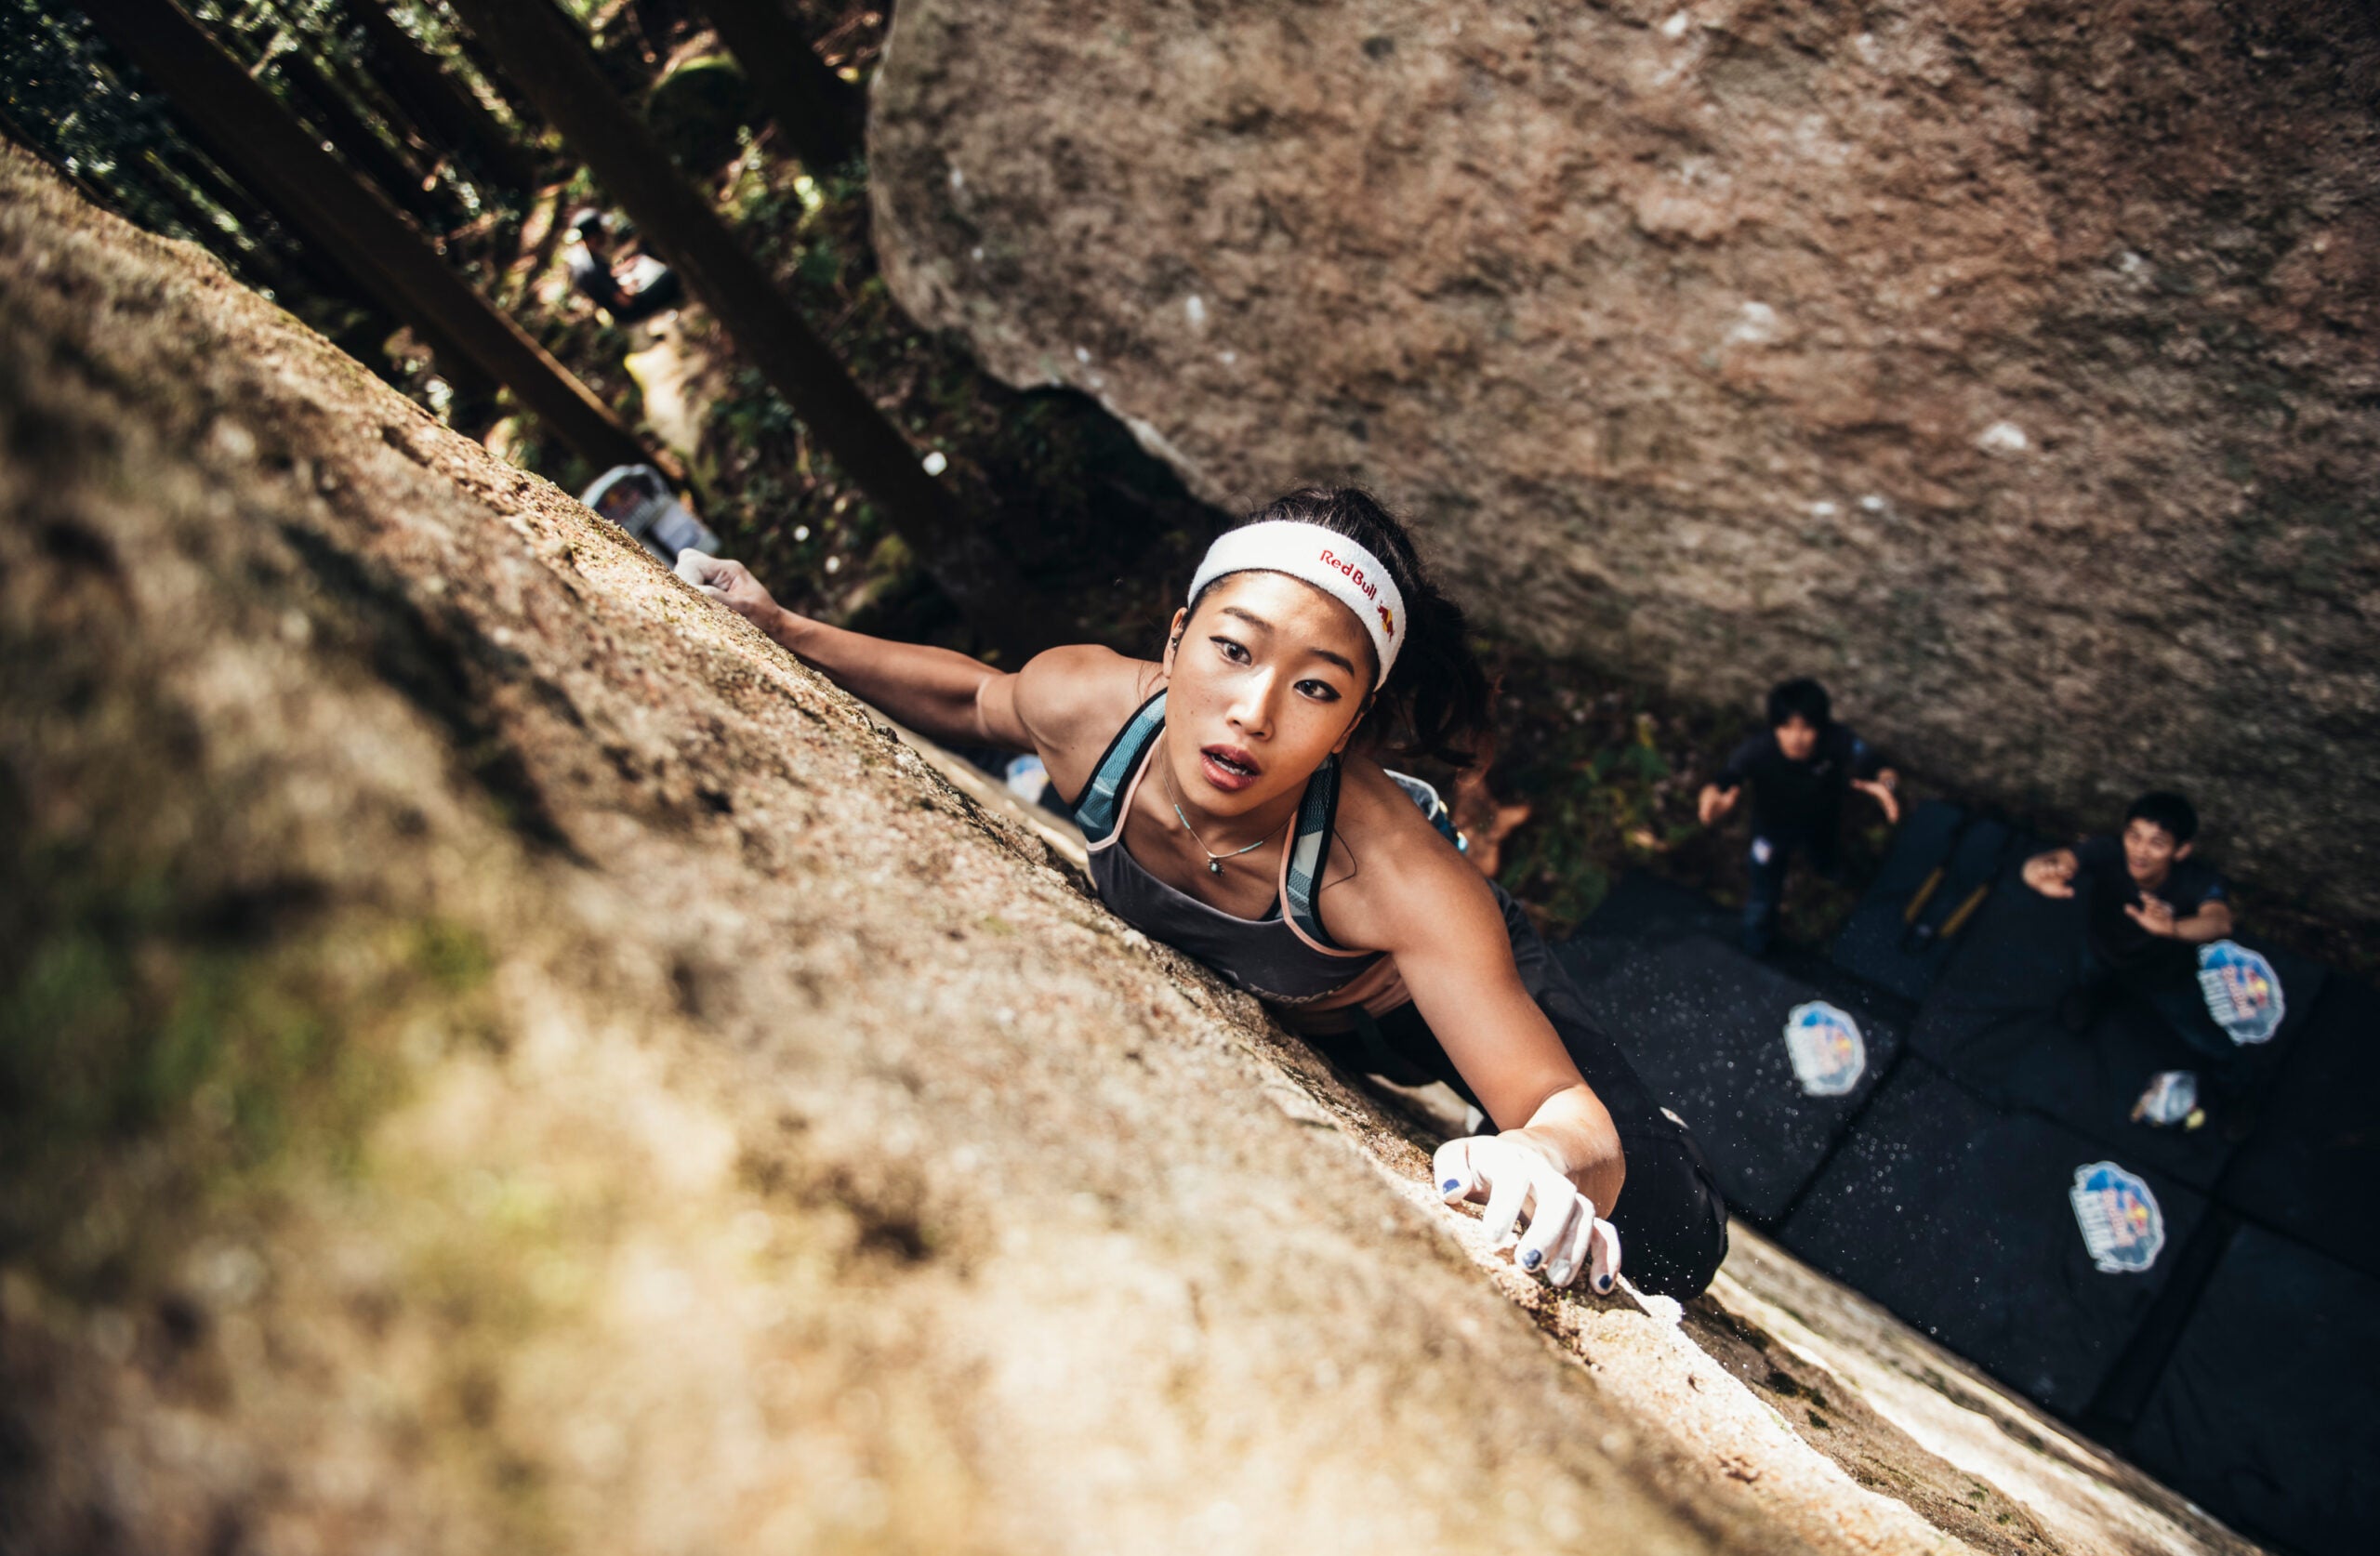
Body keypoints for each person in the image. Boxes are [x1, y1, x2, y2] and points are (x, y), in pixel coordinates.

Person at [677, 487, 1729, 1299]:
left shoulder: (1400, 877)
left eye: (1316, 686)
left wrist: (1544, 1156)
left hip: (1412, 1005)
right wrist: (783, 624)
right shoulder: (1088, 705)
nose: (1252, 712)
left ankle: (1667, 1133)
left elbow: (1556, 1110)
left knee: (1668, 1245)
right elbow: (973, 695)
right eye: (1231, 650)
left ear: (1355, 724)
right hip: (1279, 992)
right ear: (1176, 637)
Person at [2020, 792, 2239, 1066]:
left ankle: (2233, 1080)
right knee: (2087, 986)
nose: (2139, 851)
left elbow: (2220, 922)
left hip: (2164, 975)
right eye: (2134, 836)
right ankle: (2088, 998)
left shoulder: (2198, 880)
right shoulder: (2108, 850)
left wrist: (2173, 928)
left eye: (2156, 843)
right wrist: (2037, 875)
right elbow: (2046, 863)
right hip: (2102, 951)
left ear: (2181, 850)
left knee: (2201, 1035)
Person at [1697, 679, 1899, 955]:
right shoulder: (1758, 750)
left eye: (1806, 728)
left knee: (1827, 860)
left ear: (1821, 728)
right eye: (1786, 727)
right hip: (1772, 829)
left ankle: (1837, 877)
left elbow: (1877, 765)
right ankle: (1755, 942)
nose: (1796, 738)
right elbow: (1722, 780)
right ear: (1774, 727)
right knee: (1763, 893)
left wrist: (1886, 787)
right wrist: (1711, 804)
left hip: (1821, 824)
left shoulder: (1837, 740)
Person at [562, 209, 682, 324]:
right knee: (673, 275)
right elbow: (626, 302)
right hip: (631, 311)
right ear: (594, 236)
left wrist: (624, 268)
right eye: (602, 230)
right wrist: (632, 286)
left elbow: (604, 280)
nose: (606, 233)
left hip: (620, 307)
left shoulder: (582, 257)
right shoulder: (596, 267)